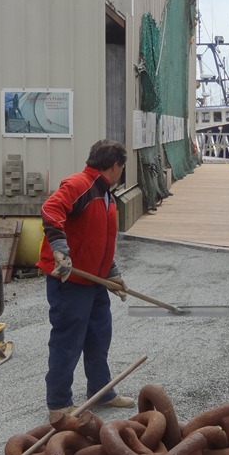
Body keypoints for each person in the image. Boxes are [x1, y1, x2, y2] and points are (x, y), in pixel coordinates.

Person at [37, 139, 134, 417]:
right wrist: (59, 249)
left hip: (94, 282)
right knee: (68, 341)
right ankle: (59, 402)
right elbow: (50, 210)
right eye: (122, 167)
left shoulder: (105, 193)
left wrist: (112, 273)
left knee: (98, 337)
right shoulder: (80, 185)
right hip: (70, 281)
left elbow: (97, 239)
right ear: (115, 166)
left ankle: (101, 392)